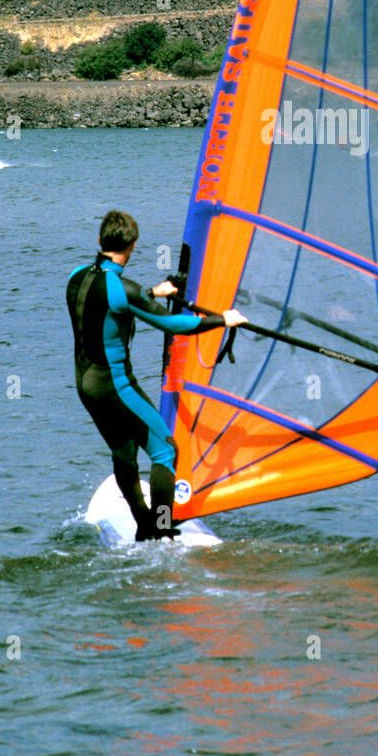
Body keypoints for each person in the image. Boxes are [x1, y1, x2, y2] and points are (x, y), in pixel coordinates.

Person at [67, 210, 246, 541]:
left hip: (85, 386)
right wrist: (222, 320)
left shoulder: (76, 276)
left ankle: (144, 525)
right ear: (133, 245)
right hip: (115, 386)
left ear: (100, 240)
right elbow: (172, 324)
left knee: (124, 452)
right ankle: (162, 527)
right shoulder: (124, 290)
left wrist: (151, 293)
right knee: (165, 450)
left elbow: (106, 305)